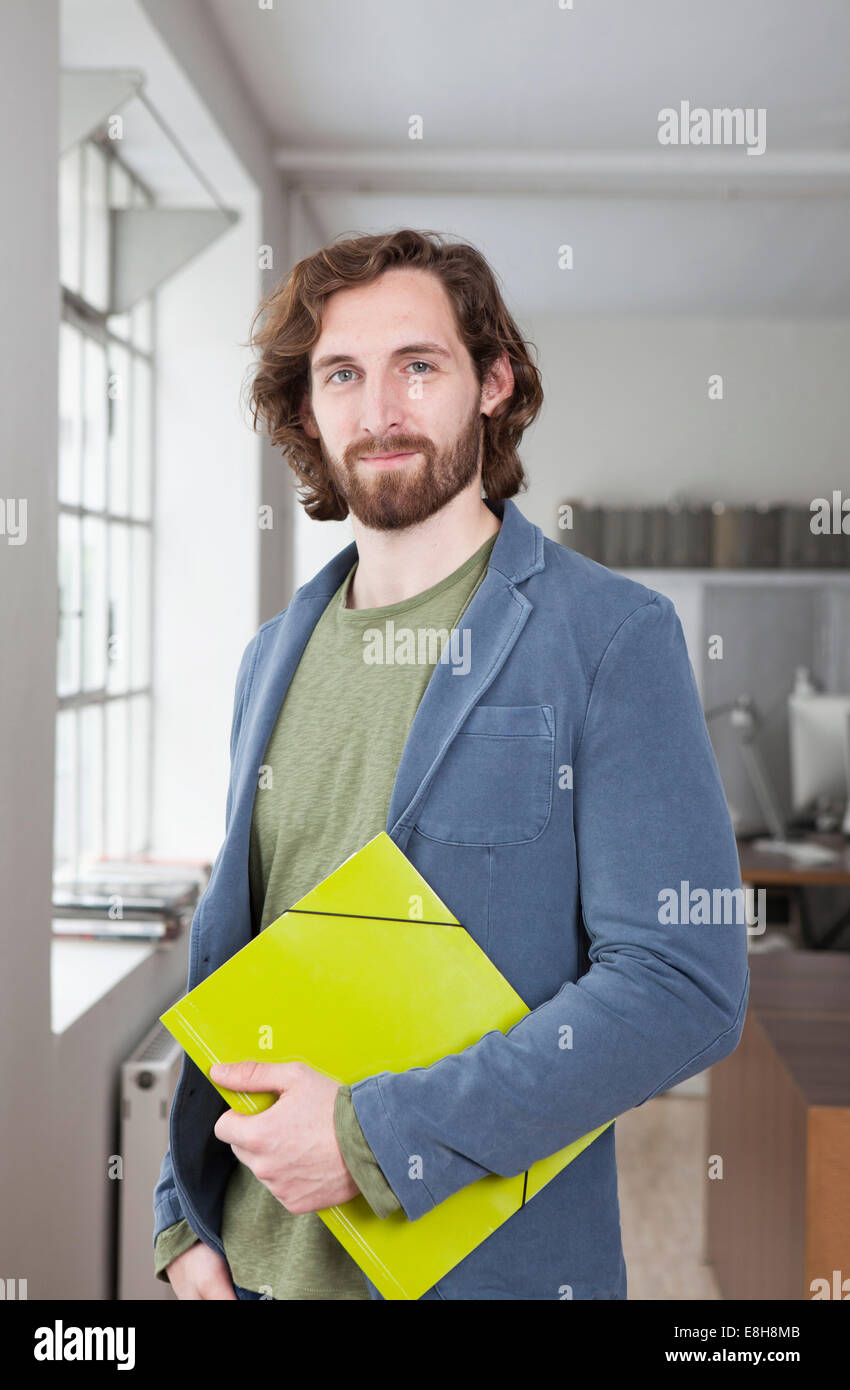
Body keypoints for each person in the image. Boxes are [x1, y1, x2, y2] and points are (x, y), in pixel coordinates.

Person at [153, 228, 749, 1301]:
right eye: (341, 374)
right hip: (246, 1267)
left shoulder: (609, 635)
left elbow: (681, 985)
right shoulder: (269, 655)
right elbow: (239, 959)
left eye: (416, 366)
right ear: (307, 408)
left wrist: (373, 1135)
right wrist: (182, 1219)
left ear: (493, 382)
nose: (378, 409)